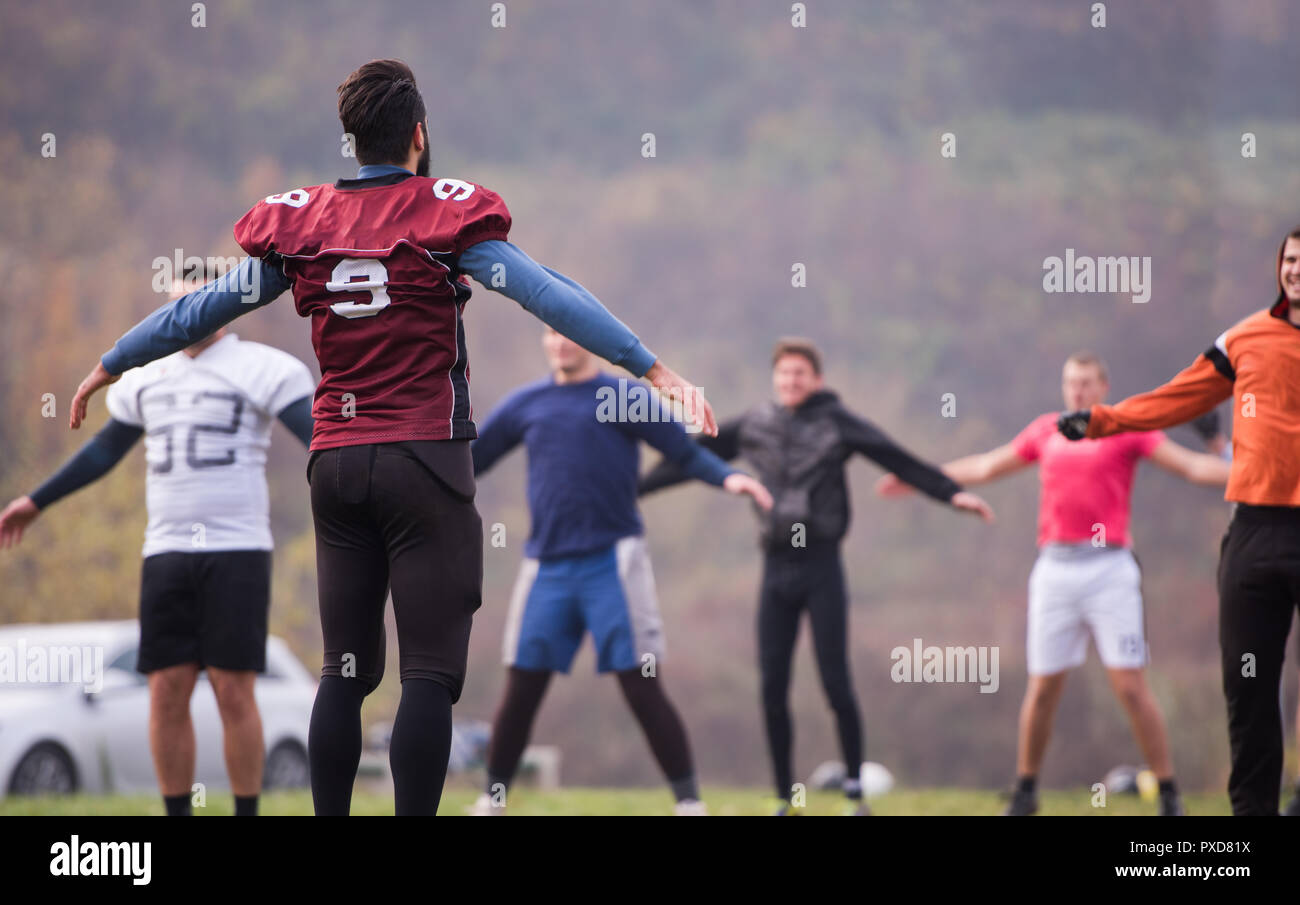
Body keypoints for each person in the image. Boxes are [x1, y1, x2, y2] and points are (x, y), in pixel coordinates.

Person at [64, 59, 719, 816]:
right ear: (417, 135)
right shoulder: (445, 215)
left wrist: (111, 360)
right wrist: (652, 367)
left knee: (342, 672)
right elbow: (546, 292)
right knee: (430, 674)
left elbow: (200, 311)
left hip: (337, 463)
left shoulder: (304, 222)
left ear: (351, 137)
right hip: (423, 459)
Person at [0, 275, 315, 816]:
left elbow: (320, 443)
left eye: (196, 305)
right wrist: (37, 500)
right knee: (166, 689)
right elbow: (103, 453)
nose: (185, 318)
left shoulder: (266, 369)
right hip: (166, 551)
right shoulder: (148, 376)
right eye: (174, 308)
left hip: (237, 549)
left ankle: (246, 812)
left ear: (221, 308)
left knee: (233, 690)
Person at [640, 337, 992, 815]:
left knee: (836, 683)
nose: (791, 382)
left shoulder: (837, 423)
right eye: (784, 374)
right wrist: (632, 490)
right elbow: (692, 460)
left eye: (800, 374)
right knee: (771, 687)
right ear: (775, 378)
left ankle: (854, 793)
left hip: (822, 566)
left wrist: (952, 494)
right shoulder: (755, 424)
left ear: (816, 379)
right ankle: (785, 798)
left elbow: (897, 458)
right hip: (775, 569)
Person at [879, 352, 1230, 815]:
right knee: (1043, 687)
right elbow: (986, 467)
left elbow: (1192, 469)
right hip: (1055, 570)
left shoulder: (1126, 427)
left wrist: (1252, 467)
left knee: (1129, 686)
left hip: (1110, 570)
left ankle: (1168, 793)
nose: (1077, 392)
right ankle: (1026, 792)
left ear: (1103, 388)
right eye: (1071, 383)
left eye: (1086, 383)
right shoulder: (1047, 430)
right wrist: (922, 479)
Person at [467, 327, 772, 816]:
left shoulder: (623, 396)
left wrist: (732, 478)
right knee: (522, 683)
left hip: (613, 560)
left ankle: (689, 803)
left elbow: (686, 454)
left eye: (570, 334)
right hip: (546, 565)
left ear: (589, 339)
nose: (561, 343)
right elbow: (470, 461)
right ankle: (493, 800)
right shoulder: (527, 403)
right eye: (551, 335)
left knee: (640, 683)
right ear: (544, 342)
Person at [1058, 225, 1300, 816]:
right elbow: (1180, 396)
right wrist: (1103, 420)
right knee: (1248, 688)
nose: (1296, 270)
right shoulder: (1246, 338)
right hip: (1254, 532)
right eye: (1291, 259)